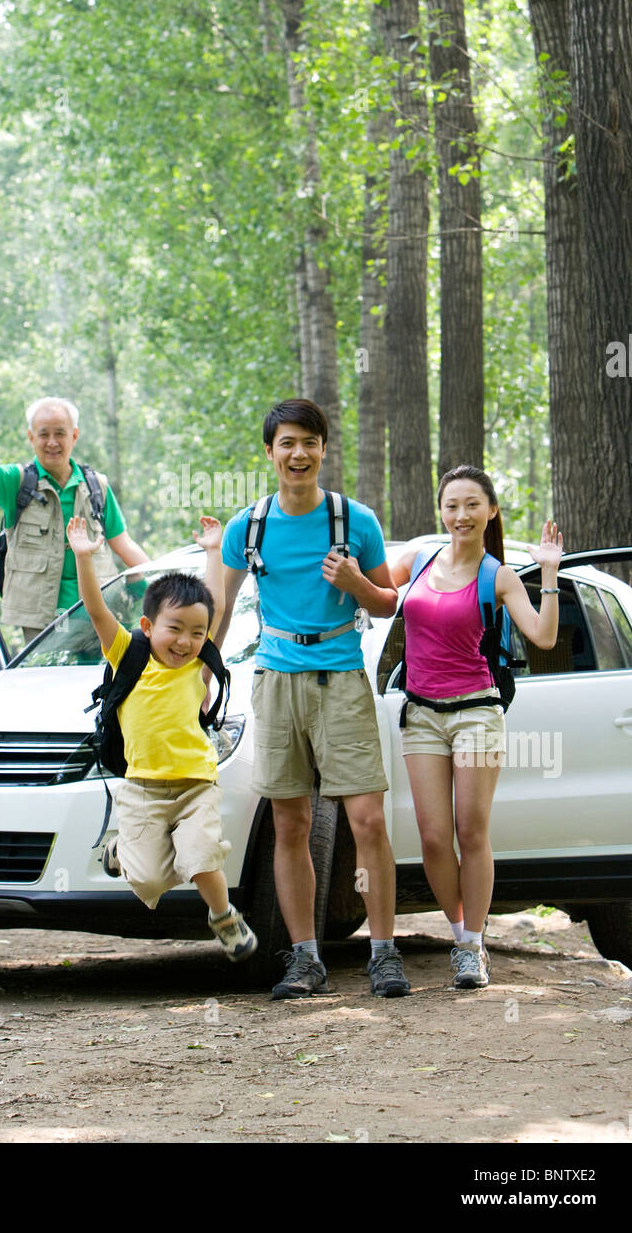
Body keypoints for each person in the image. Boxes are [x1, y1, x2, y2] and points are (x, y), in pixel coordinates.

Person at [220, 398, 410, 1001]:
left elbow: (389, 602)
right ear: (270, 452)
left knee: (368, 819)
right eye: (287, 443)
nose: (298, 453)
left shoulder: (356, 520)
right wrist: (202, 676)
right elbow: (218, 610)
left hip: (342, 678)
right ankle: (304, 959)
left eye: (309, 442)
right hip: (274, 680)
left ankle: (384, 953)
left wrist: (356, 583)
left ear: (324, 449)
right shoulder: (245, 527)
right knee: (290, 823)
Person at [389, 465, 562, 988]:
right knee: (435, 837)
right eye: (451, 505)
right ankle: (460, 928)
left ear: (490, 511)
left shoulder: (498, 575)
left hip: (476, 712)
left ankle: (471, 946)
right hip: (420, 713)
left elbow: (543, 637)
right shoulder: (417, 562)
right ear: (440, 512)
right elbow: (369, 587)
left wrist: (549, 574)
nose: (460, 515)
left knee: (471, 829)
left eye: (471, 505)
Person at [66, 513, 257, 964]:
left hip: (195, 784)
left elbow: (218, 606)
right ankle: (124, 850)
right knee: (149, 881)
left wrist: (214, 552)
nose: (186, 641)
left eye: (196, 632)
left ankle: (223, 915)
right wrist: (84, 557)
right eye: (175, 629)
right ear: (148, 626)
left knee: (202, 855)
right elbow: (95, 608)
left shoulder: (196, 664)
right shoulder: (127, 651)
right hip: (143, 788)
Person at [0, 368, 149, 643]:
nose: (52, 442)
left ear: (74, 436)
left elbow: (124, 545)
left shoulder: (96, 486)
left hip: (100, 616)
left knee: (103, 684)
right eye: (43, 434)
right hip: (43, 624)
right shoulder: (17, 482)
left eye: (59, 433)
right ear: (31, 437)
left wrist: (168, 584)